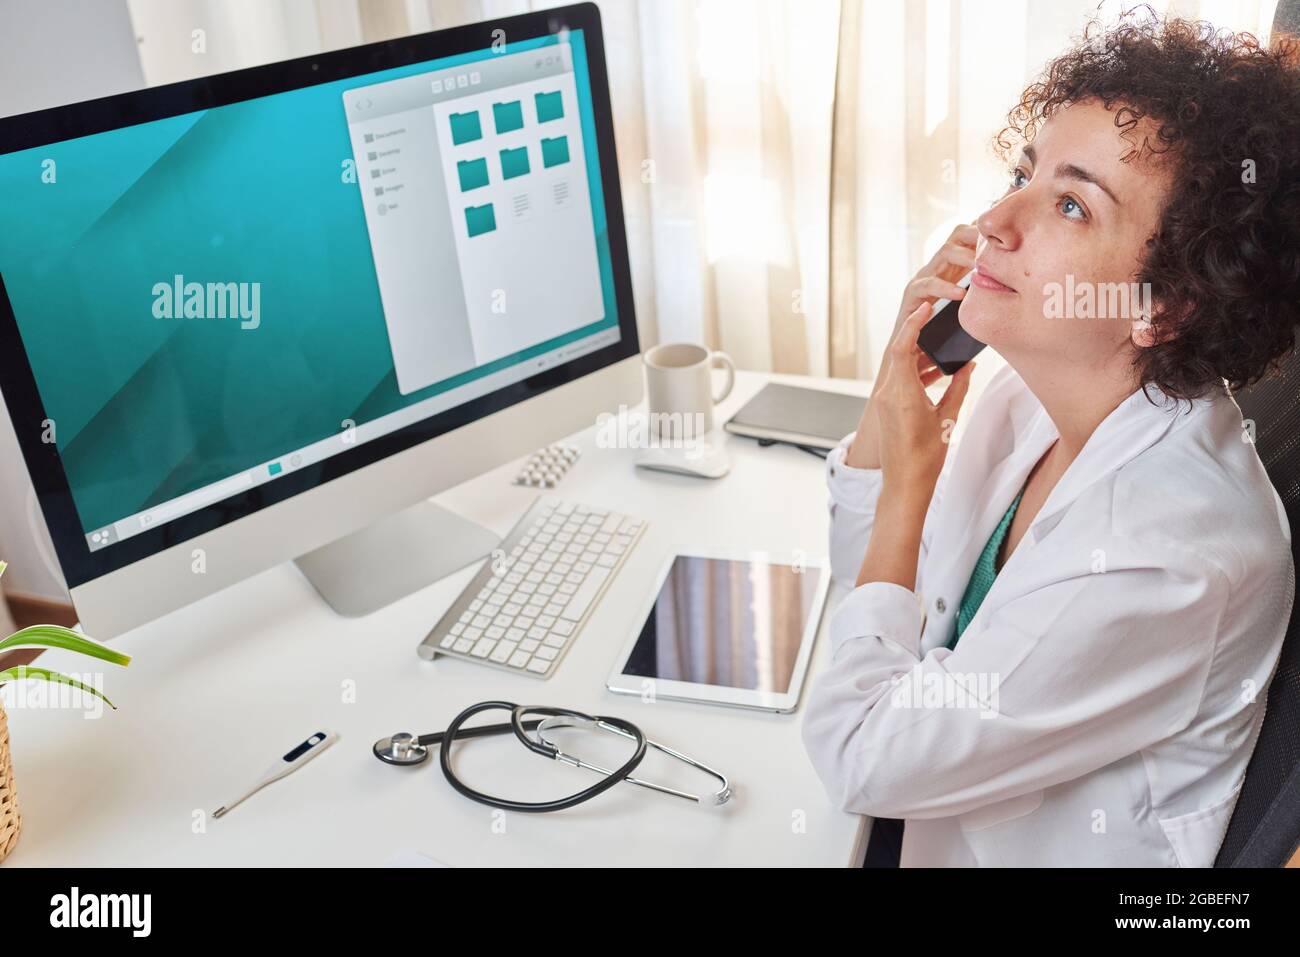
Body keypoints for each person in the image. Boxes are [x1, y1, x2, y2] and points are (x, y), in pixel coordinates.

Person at [801, 13, 1300, 867]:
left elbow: (859, 755)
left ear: (1167, 305)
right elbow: (878, 605)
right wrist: (894, 408)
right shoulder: (1027, 401)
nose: (994, 220)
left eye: (1070, 204)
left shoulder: (1166, 552)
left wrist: (911, 489)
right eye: (1022, 173)